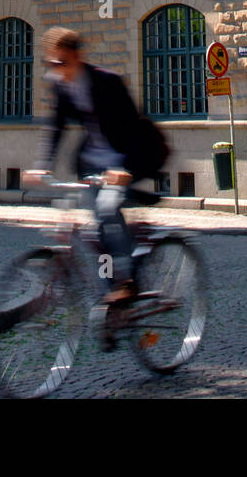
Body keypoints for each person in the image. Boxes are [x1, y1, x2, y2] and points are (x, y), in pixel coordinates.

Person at [22, 28, 169, 304]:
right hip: (93, 163)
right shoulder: (61, 85)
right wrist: (42, 166)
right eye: (51, 62)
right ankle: (110, 292)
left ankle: (127, 282)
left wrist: (124, 169)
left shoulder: (108, 82)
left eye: (62, 62)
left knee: (106, 208)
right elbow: (55, 127)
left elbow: (133, 128)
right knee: (95, 228)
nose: (56, 69)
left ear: (77, 57)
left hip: (130, 156)